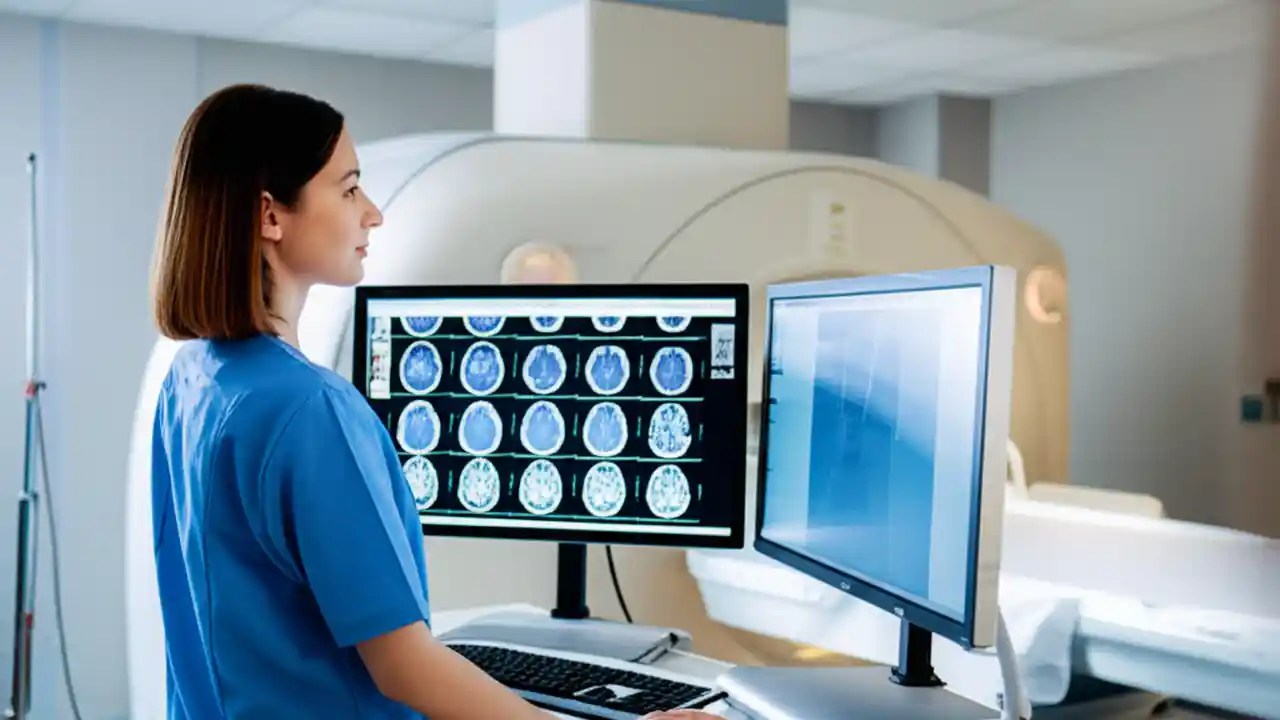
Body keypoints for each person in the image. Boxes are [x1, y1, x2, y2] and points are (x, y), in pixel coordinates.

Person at [148, 83, 722, 720]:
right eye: (347, 189)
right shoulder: (310, 410)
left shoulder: (193, 377)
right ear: (270, 216)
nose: (373, 213)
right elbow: (403, 667)